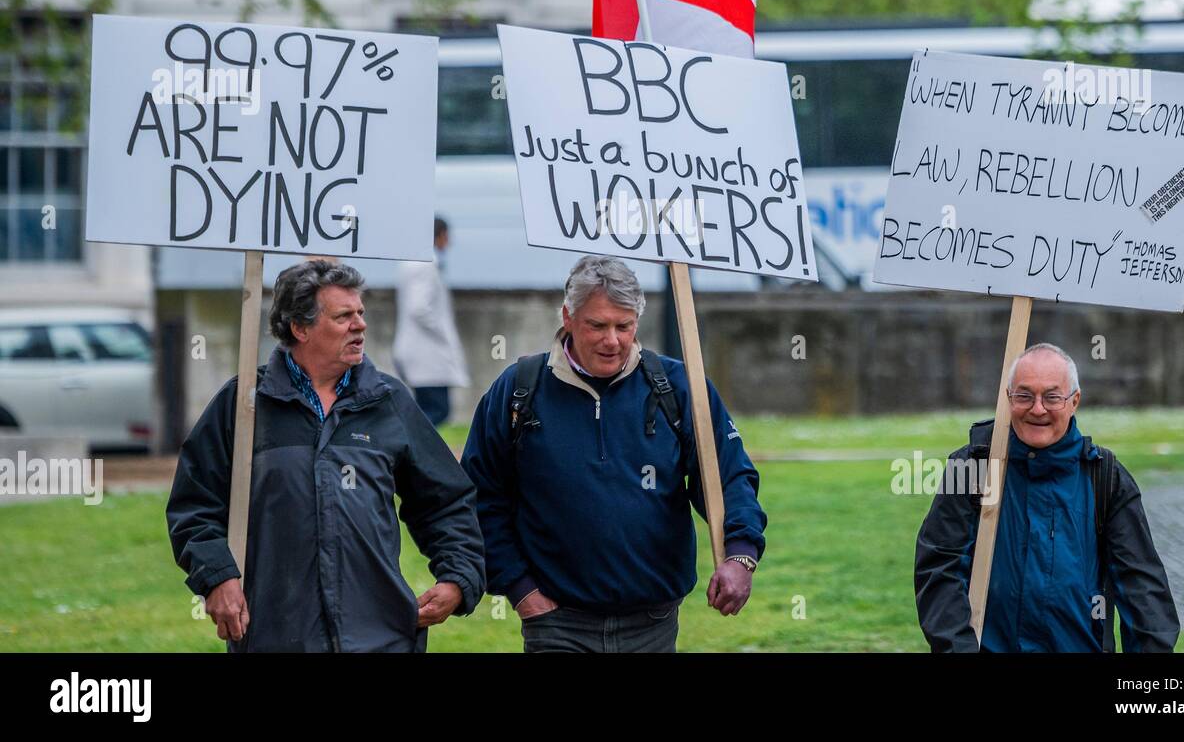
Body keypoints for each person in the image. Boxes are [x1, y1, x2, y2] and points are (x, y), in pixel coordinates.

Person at [166, 259, 486, 652]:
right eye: (343, 316)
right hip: (274, 635)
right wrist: (217, 577)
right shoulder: (245, 404)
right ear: (300, 328)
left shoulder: (388, 401)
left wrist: (457, 578)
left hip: (380, 638)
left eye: (360, 313)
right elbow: (194, 505)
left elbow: (447, 502)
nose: (360, 325)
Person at [460, 254, 767, 652]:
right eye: (597, 325)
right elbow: (480, 495)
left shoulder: (678, 385)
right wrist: (522, 591)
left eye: (624, 326)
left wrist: (740, 555)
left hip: (654, 622)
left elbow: (727, 477)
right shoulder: (518, 390)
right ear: (567, 317)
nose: (612, 340)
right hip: (555, 623)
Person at [915, 342, 1180, 652]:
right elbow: (939, 571)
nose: (1037, 408)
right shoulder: (972, 468)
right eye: (1024, 395)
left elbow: (1143, 591)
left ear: (1074, 401)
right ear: (1008, 399)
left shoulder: (1107, 478)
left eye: (1052, 397)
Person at [394, 217, 470, 428]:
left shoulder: (413, 263)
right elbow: (420, 309)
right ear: (440, 235)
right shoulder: (425, 265)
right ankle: (407, 450)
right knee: (438, 410)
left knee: (426, 409)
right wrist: (443, 334)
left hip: (420, 353)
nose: (450, 242)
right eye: (448, 236)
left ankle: (411, 451)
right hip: (427, 353)